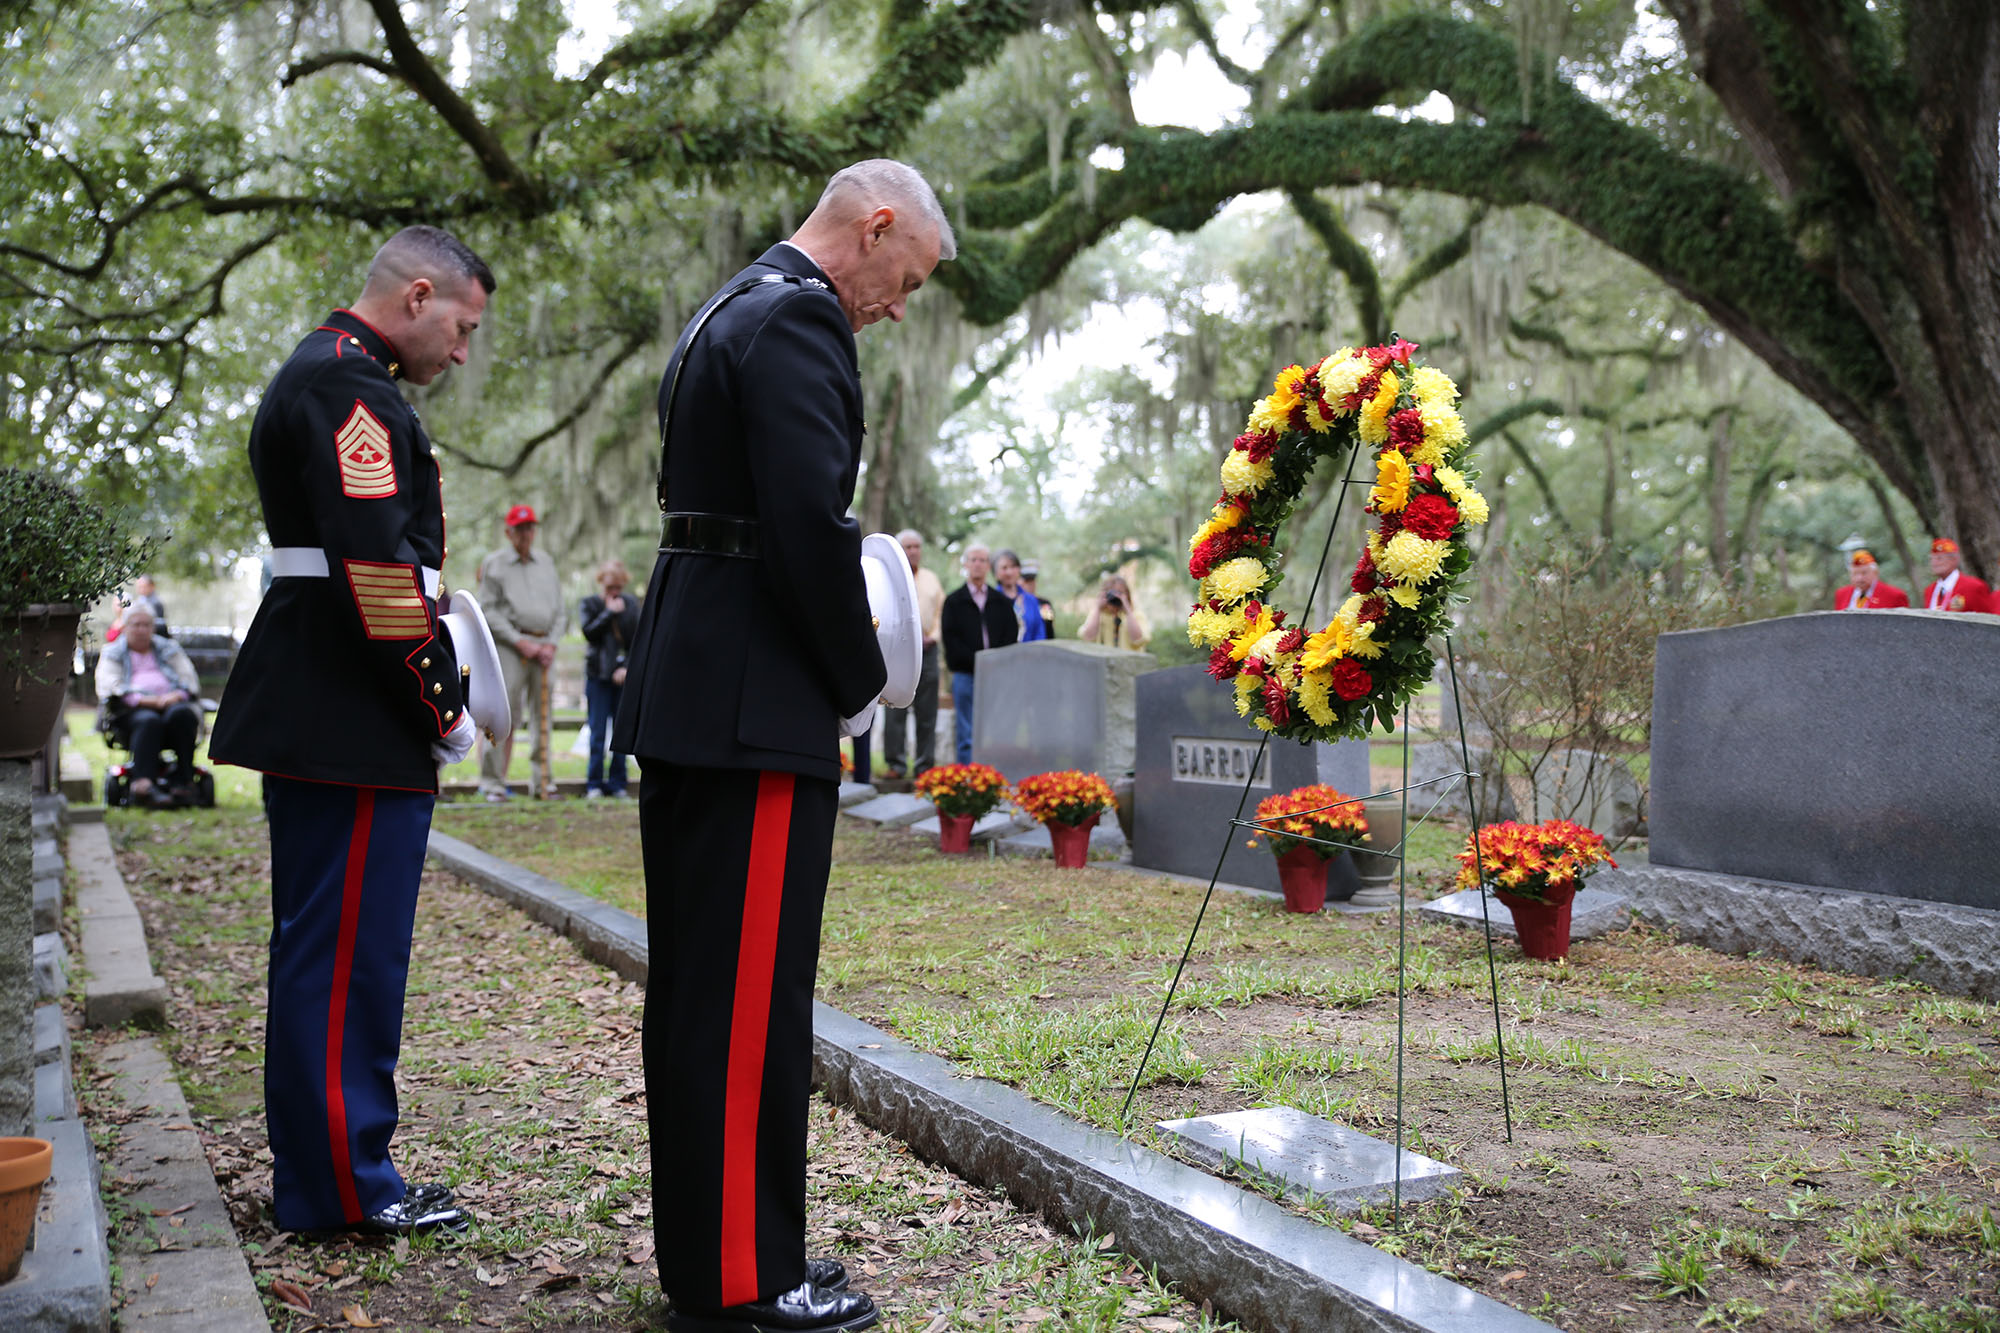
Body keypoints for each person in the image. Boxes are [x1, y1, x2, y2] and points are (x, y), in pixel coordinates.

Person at [612, 158, 951, 1333]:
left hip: (697, 681)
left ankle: (708, 1260)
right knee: (749, 997)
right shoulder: (802, 319)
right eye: (900, 277)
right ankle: (746, 1278)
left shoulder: (729, 302)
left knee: (705, 990)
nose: (894, 305)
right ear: (871, 226)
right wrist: (863, 682)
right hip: (755, 699)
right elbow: (808, 528)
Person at [208, 224, 490, 1236]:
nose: (460, 350)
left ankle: (343, 1169)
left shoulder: (339, 376)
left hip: (334, 704)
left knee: (337, 954)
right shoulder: (348, 389)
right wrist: (439, 704)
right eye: (461, 325)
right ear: (418, 295)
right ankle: (339, 1189)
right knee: (344, 962)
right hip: (350, 711)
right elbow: (377, 574)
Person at [477, 504, 564, 800]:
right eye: (520, 528)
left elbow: (560, 610)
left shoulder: (546, 563)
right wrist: (519, 641)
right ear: (509, 532)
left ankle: (543, 783)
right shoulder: (495, 563)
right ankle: (492, 784)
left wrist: (551, 643)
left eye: (530, 528)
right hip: (512, 647)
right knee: (503, 714)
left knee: (543, 717)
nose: (526, 534)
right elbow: (488, 610)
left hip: (545, 648)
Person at [93, 606, 201, 808]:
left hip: (171, 704)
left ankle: (184, 781)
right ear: (125, 627)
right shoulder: (113, 652)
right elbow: (110, 686)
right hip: (131, 711)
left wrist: (175, 695)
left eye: (146, 625)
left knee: (183, 715)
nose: (142, 629)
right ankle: (143, 785)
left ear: (153, 628)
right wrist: (144, 700)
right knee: (149, 720)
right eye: (136, 625)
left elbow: (189, 679)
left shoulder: (169, 649)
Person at [940, 543, 1018, 764]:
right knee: (966, 731)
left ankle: (993, 777)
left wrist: (994, 661)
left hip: (996, 675)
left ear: (988, 566)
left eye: (982, 560)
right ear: (966, 564)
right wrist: (978, 661)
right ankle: (968, 780)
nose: (977, 564)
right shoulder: (954, 601)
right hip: (965, 674)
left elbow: (1010, 635)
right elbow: (950, 640)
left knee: (996, 727)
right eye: (973, 559)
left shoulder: (1000, 602)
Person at [881, 529, 943, 779]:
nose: (913, 551)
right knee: (894, 708)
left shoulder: (931, 579)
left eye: (917, 546)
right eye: (908, 546)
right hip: (896, 651)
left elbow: (940, 611)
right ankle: (895, 765)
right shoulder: (890, 578)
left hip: (927, 651)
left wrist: (934, 636)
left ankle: (925, 768)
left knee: (927, 712)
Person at [580, 560, 641, 797]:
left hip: (622, 679)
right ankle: (593, 783)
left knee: (620, 733)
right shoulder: (590, 604)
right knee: (597, 733)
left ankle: (618, 783)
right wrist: (609, 613)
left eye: (617, 588)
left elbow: (637, 640)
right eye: (609, 588)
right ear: (601, 584)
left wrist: (626, 668)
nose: (614, 593)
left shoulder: (631, 605)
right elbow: (589, 633)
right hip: (597, 676)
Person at [1078, 573, 1150, 649]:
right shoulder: (1097, 615)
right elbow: (1087, 637)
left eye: (1120, 593)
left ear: (1127, 594)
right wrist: (1098, 608)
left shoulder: (1137, 615)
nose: (1115, 596)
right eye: (1111, 592)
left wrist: (1128, 611)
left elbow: (1138, 640)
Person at [1920, 538, 1991, 613]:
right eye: (1931, 558)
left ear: (1954, 560)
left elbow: (1986, 619)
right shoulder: (1929, 590)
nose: (1934, 563)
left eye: (1939, 558)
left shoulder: (1973, 587)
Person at [993, 548, 1047, 642]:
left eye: (1013, 566)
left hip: (1030, 654)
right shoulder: (991, 600)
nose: (1009, 572)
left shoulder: (1031, 600)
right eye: (1004, 568)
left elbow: (1039, 632)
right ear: (996, 573)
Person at [1833, 549, 1909, 609]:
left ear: (1875, 573)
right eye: (1855, 573)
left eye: (1864, 573)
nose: (1860, 578)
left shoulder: (1894, 596)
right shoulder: (1841, 594)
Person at [1019, 560, 1056, 637]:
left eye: (1032, 580)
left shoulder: (1044, 605)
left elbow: (1049, 628)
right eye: (1027, 581)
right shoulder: (1016, 603)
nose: (1030, 584)